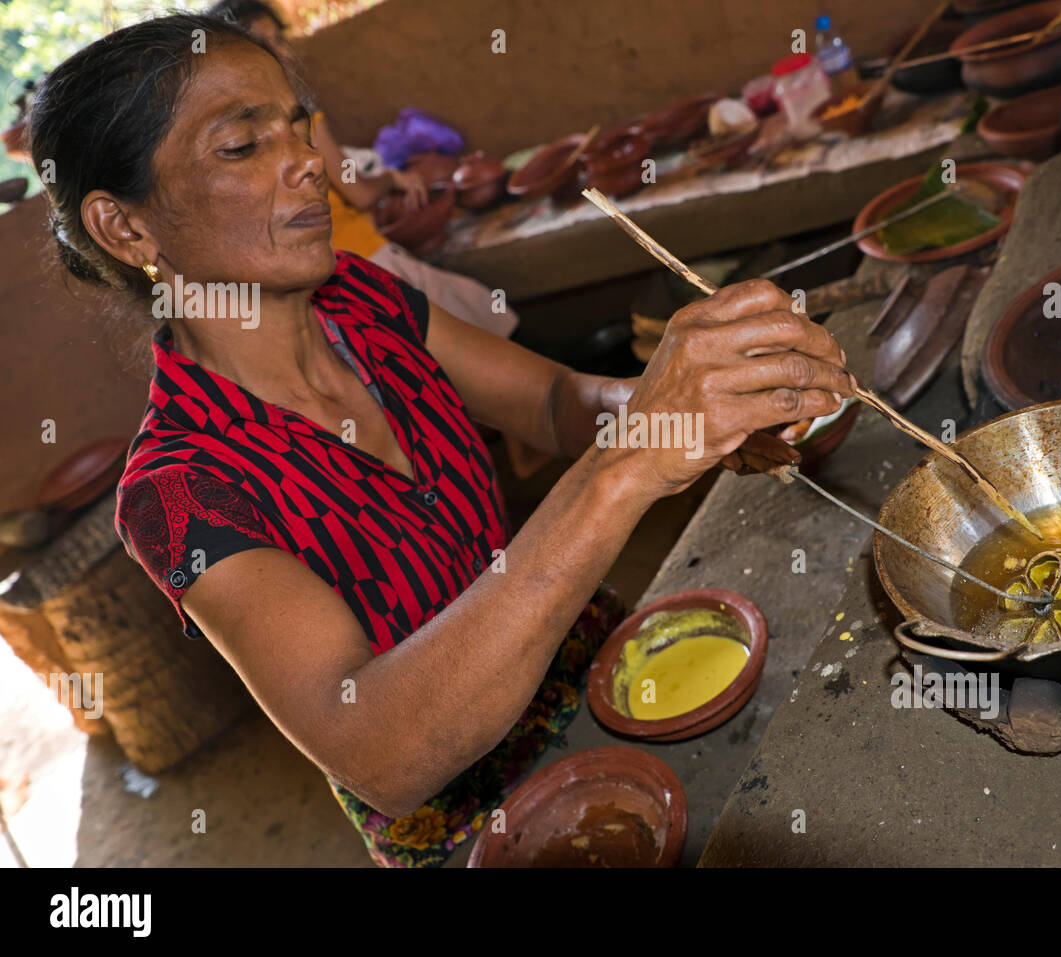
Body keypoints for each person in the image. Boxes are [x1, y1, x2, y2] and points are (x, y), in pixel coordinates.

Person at [29, 13, 852, 866]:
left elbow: (555, 402)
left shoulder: (362, 298)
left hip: (606, 673)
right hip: (485, 822)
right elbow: (380, 747)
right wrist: (627, 463)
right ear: (126, 230)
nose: (309, 160)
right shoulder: (178, 488)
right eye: (242, 146)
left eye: (297, 123)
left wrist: (687, 415)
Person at [208, 0, 518, 340]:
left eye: (279, 39)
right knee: (480, 314)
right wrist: (391, 179)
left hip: (312, 279)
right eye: (264, 43)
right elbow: (357, 190)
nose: (280, 51)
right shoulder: (299, 113)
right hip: (360, 258)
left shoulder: (229, 134)